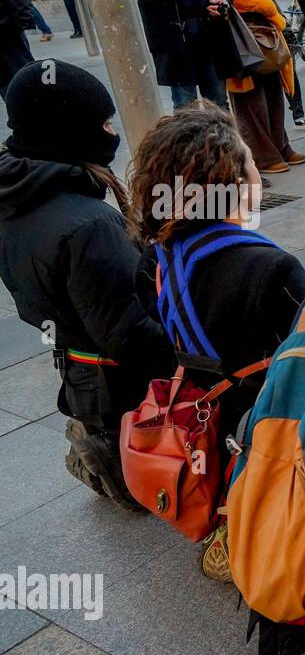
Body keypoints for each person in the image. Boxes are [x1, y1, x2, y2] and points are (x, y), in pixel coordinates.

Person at [129, 102, 305, 579]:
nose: (257, 169)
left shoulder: (157, 257)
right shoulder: (270, 268)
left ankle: (230, 521)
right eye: (250, 160)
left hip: (207, 409)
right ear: (232, 184)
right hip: (271, 416)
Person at [0, 62, 176, 509]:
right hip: (127, 397)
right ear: (67, 132)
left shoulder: (15, 191)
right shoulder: (89, 225)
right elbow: (133, 337)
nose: (112, 133)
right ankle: (114, 457)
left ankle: (96, 437)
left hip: (81, 370)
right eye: (103, 123)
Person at [205, 0, 304, 173]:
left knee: (272, 84)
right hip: (237, 26)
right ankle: (262, 153)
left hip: (260, 22)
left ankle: (279, 144)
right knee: (249, 92)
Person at [0, 0, 34, 93]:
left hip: (5, 24)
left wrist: (24, 16)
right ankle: (20, 116)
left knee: (24, 75)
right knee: (8, 80)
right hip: (6, 21)